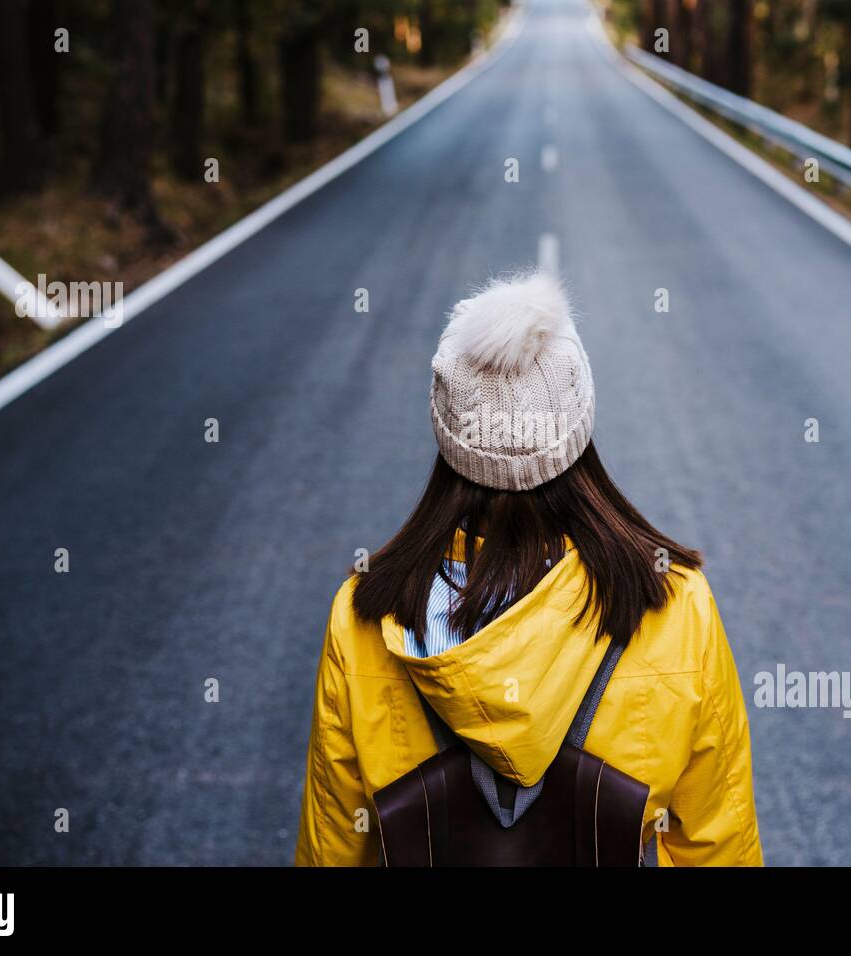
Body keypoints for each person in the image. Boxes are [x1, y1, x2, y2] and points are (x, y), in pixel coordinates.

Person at [295, 271, 762, 866]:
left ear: (447, 438)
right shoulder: (674, 601)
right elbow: (716, 838)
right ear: (580, 431)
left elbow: (335, 841)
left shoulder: (364, 615)